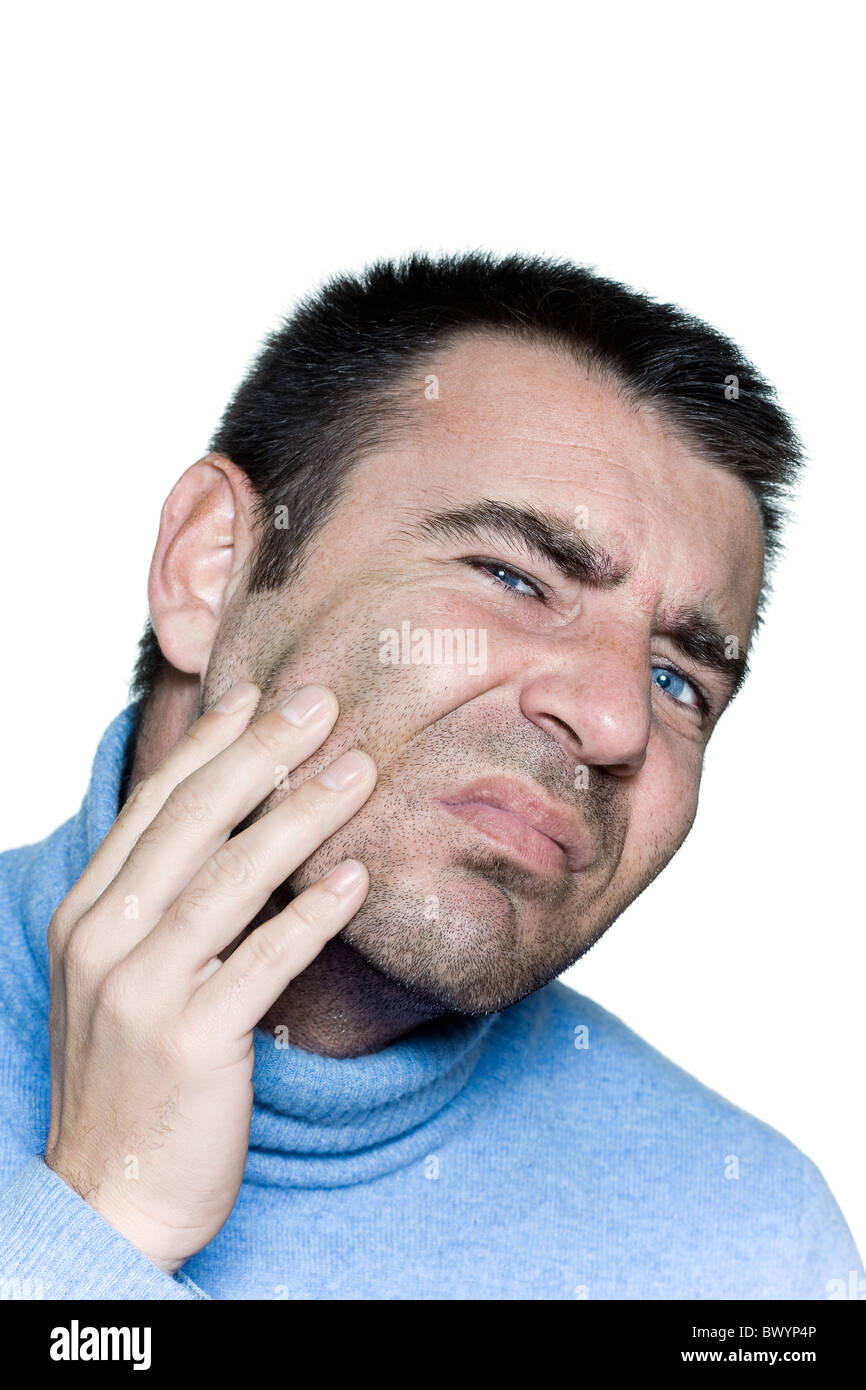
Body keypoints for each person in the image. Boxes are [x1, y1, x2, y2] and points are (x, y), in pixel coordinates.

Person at [0, 252, 860, 1300]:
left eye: (677, 680)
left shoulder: (756, 1250)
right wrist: (100, 1220)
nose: (611, 720)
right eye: (513, 577)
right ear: (213, 566)